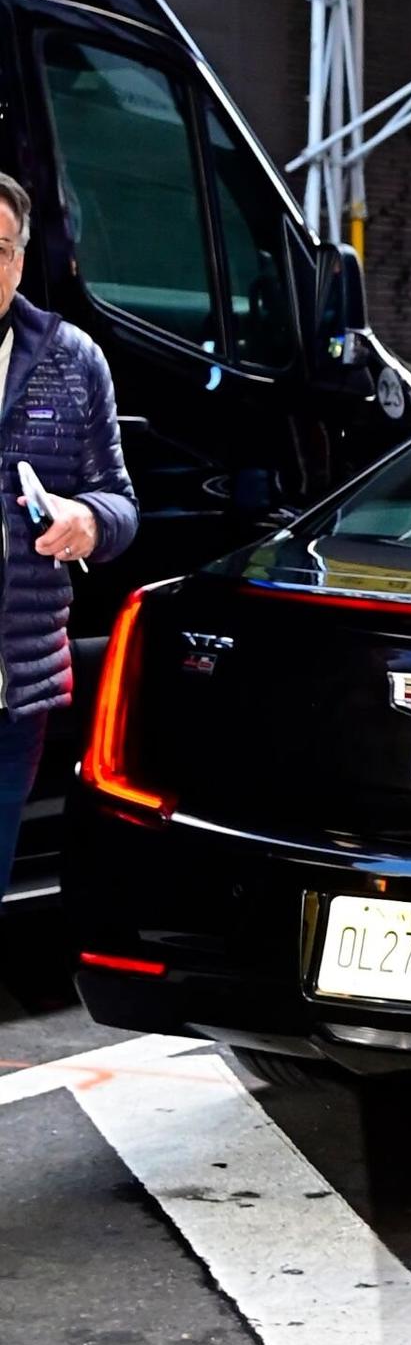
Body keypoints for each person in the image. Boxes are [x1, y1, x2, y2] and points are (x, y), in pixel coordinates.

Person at [0, 170, 137, 892]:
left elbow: (120, 502)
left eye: (0, 248)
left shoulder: (71, 359)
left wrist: (89, 519)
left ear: (19, 260)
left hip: (14, 691)